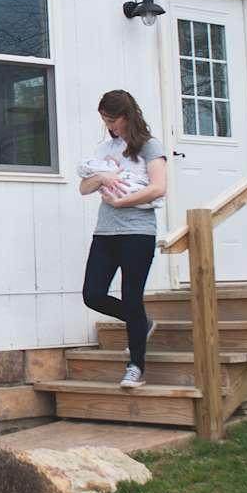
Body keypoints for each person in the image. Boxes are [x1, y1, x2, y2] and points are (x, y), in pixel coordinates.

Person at [77, 90, 168, 387]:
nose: (109, 126)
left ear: (127, 116)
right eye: (104, 120)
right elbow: (84, 188)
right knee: (92, 294)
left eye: (112, 120)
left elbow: (158, 188)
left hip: (138, 232)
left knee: (131, 297)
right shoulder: (105, 149)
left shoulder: (150, 146)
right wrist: (102, 178)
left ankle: (135, 367)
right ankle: (143, 323)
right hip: (106, 232)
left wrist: (121, 202)